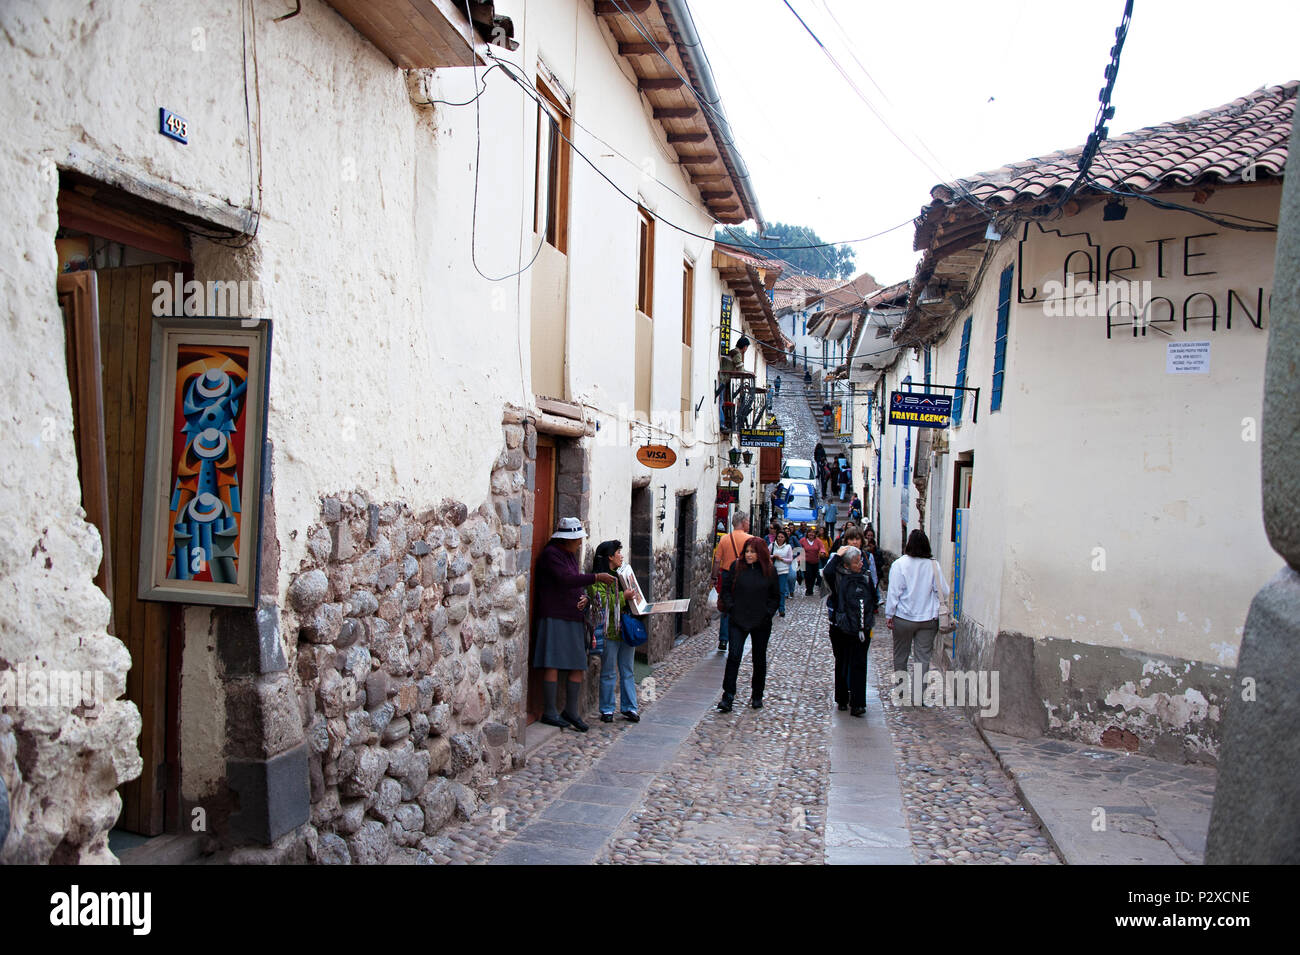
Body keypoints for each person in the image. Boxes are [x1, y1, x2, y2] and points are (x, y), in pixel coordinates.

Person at [533, 517, 617, 731]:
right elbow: (565, 580)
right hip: (555, 614)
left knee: (578, 663)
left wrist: (585, 598)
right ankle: (550, 711)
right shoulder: (551, 555)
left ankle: (571, 710)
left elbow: (574, 582)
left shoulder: (568, 555)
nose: (580, 542)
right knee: (552, 661)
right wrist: (596, 577)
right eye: (577, 539)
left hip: (572, 616)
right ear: (566, 538)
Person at [885, 529, 950, 703]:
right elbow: (944, 591)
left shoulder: (899, 564)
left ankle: (901, 692)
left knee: (901, 656)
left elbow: (894, 593)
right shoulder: (933, 565)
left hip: (903, 618)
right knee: (923, 659)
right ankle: (919, 696)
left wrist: (889, 614)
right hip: (928, 619)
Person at [717, 537, 780, 712]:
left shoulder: (769, 571)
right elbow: (726, 590)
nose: (749, 555)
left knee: (759, 659)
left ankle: (757, 694)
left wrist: (767, 613)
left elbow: (775, 596)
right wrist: (731, 607)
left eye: (752, 551)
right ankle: (728, 696)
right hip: (738, 619)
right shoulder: (736, 568)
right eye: (747, 551)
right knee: (734, 656)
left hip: (761, 621)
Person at [587, 541, 641, 724]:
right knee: (609, 671)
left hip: (626, 629)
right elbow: (599, 600)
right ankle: (607, 709)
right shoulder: (598, 578)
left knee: (628, 670)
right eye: (618, 552)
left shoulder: (623, 574)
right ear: (610, 556)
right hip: (609, 630)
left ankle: (630, 707)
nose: (621, 555)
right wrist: (623, 597)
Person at [823, 543, 878, 716]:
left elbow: (874, 599)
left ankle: (858, 703)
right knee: (842, 661)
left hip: (861, 626)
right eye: (856, 562)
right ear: (846, 565)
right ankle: (841, 698)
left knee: (859, 663)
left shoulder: (866, 577)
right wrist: (838, 555)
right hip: (842, 627)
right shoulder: (838, 578)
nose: (860, 564)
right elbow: (827, 572)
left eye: (860, 560)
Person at [712, 510, 753, 652]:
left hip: (726, 575)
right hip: (744, 575)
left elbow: (717, 560)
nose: (749, 523)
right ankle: (739, 635)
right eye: (747, 521)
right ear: (742, 522)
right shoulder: (750, 540)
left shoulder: (724, 539)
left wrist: (714, 576)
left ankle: (723, 639)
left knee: (726, 606)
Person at [771, 529, 795, 617]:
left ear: (785, 538)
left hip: (783, 571)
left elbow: (790, 559)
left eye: (782, 537)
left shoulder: (788, 547)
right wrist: (773, 556)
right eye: (778, 537)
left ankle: (781, 609)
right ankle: (773, 608)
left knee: (781, 590)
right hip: (773, 570)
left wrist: (782, 559)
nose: (780, 539)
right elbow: (766, 554)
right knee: (772, 591)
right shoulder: (772, 545)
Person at [800, 528, 825, 597]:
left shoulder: (818, 541)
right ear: (807, 534)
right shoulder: (803, 540)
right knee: (808, 575)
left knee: (813, 576)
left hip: (815, 561)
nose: (811, 534)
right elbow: (798, 548)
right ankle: (809, 589)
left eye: (813, 533)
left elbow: (822, 547)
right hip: (805, 561)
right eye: (810, 533)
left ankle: (810, 588)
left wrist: (822, 552)